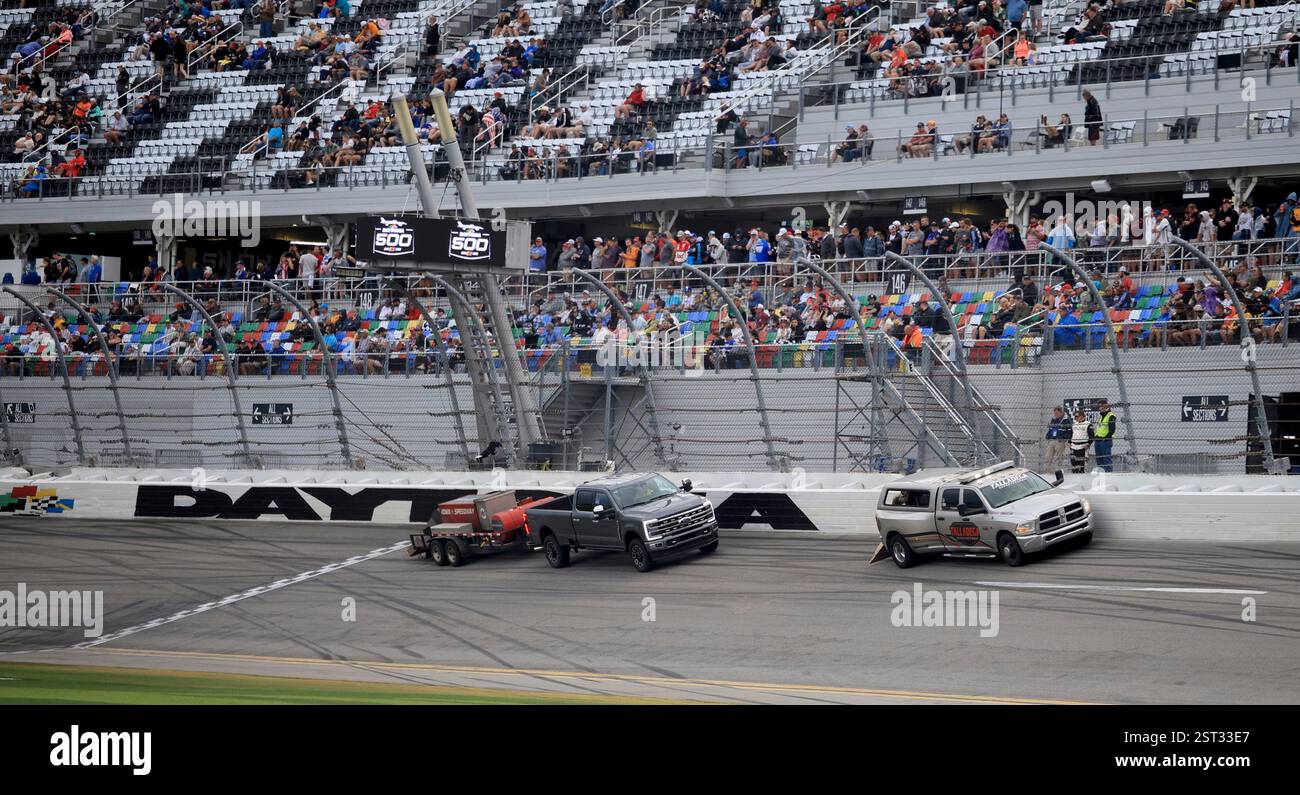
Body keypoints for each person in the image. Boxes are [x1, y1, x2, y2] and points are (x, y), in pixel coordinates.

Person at [1044, 406, 1071, 473]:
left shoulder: (1066, 420)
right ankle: (1047, 471)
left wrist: (1063, 438)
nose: (1055, 415)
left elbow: (1069, 432)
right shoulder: (1053, 420)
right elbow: (1050, 429)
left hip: (1060, 441)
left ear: (1061, 412)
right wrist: (1047, 435)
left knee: (1059, 458)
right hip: (1052, 440)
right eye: (1054, 413)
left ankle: (1058, 471)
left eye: (1057, 413)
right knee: (1048, 457)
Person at [1093, 398, 1118, 471]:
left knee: (1106, 458)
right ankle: (1101, 472)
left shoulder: (1111, 416)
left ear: (1106, 406)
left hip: (1105, 440)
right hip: (1098, 439)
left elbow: (1112, 430)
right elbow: (1099, 427)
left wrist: (1106, 438)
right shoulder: (1101, 416)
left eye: (1101, 406)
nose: (1100, 408)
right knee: (1099, 458)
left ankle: (1108, 473)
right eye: (1099, 407)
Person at [1069, 409, 1094, 474]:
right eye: (1075, 416)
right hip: (1074, 446)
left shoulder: (1088, 424)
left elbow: (1092, 436)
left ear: (1082, 416)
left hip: (1082, 446)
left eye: (1077, 416)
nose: (1076, 418)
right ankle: (1074, 476)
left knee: (1082, 464)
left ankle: (1083, 478)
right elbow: (1071, 434)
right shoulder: (1074, 424)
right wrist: (1069, 442)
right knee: (1074, 464)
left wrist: (1088, 444)